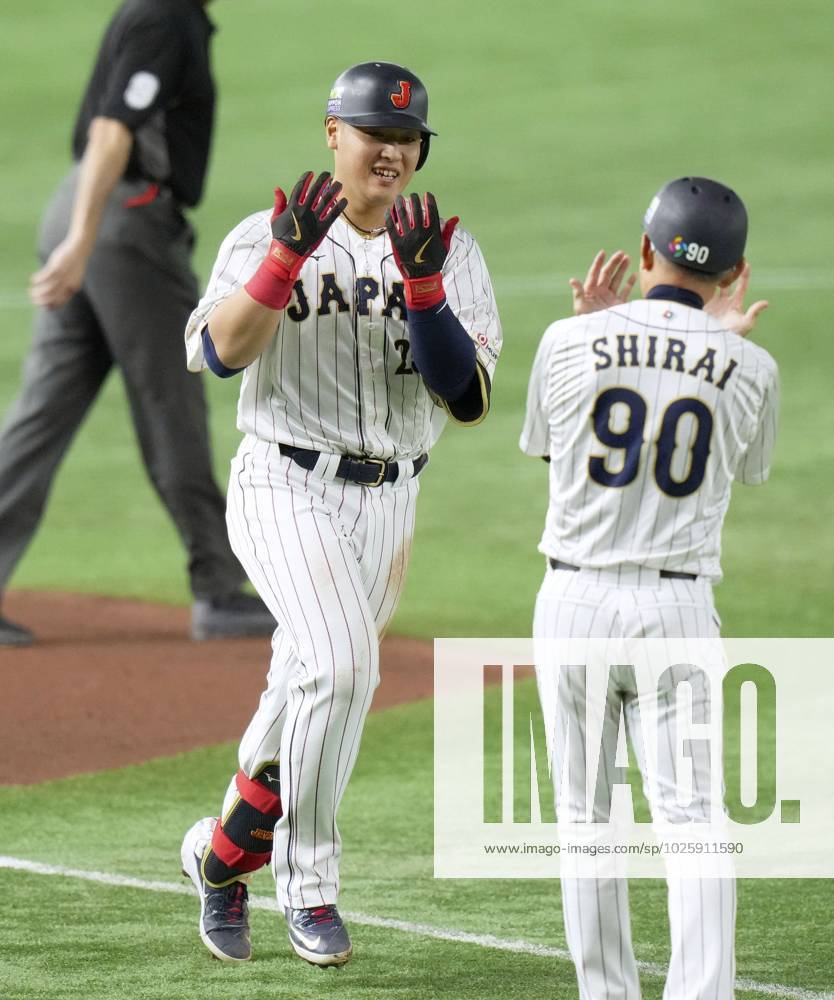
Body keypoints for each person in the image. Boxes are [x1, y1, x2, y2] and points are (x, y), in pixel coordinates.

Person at [179, 61, 501, 967]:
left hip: (390, 502)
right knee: (345, 666)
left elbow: (465, 400)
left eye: (406, 140)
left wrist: (428, 290)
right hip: (283, 485)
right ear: (334, 135)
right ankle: (311, 889)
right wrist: (284, 260)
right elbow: (220, 353)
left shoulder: (450, 248)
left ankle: (219, 856)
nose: (391, 152)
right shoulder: (262, 234)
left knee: (304, 696)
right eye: (374, 135)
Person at [520, 177, 778, 998]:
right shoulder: (751, 365)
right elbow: (752, 466)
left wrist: (599, 326)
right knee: (695, 823)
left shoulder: (567, 339)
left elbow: (545, 444)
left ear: (643, 253)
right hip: (675, 608)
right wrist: (719, 349)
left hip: (574, 602)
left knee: (585, 822)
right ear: (735, 276)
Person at [0, 0, 276, 645]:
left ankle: (217, 582)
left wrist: (77, 237)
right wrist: (82, 241)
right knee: (171, 403)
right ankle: (218, 587)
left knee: (43, 411)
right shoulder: (164, 16)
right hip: (123, 224)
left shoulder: (161, 12)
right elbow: (111, 131)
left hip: (89, 211)